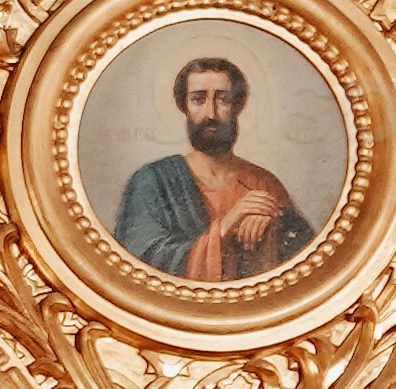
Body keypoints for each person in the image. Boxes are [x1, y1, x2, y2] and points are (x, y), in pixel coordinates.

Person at [108, 45, 309, 285]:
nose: (210, 113)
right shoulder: (153, 181)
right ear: (184, 107)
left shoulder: (263, 183)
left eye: (223, 99)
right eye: (198, 99)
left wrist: (274, 225)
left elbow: (305, 264)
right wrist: (225, 228)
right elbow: (137, 265)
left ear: (237, 106)